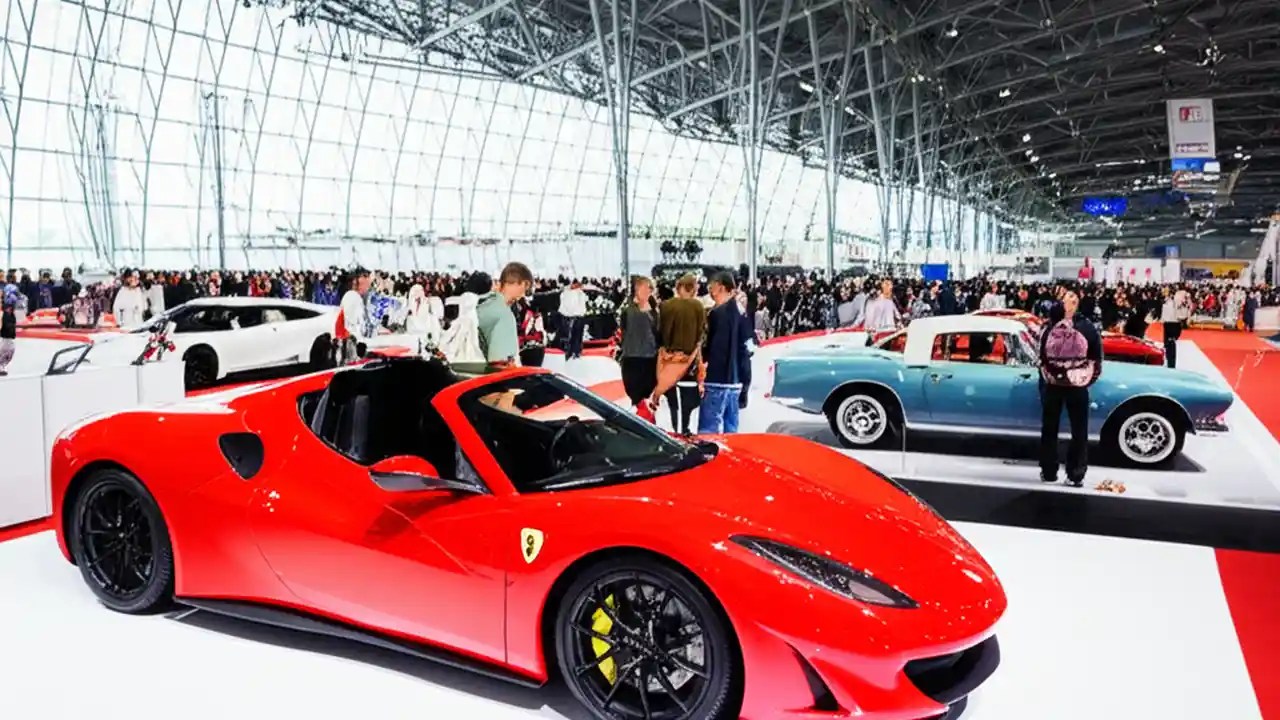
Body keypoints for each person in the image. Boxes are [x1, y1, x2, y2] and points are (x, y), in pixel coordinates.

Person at [1039, 290, 1103, 487]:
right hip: (1072, 384)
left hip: (1059, 384)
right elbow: (1096, 356)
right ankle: (1070, 473)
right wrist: (1086, 378)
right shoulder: (1085, 327)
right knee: (1073, 430)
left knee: (1056, 429)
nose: (1070, 304)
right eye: (1069, 300)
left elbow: (1042, 356)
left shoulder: (1052, 326)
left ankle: (1056, 472)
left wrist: (1054, 375)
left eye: (1071, 300)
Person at [650, 273, 706, 432]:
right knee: (687, 407)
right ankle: (684, 431)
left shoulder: (665, 306)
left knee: (673, 403)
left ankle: (676, 431)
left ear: (678, 287)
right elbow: (701, 335)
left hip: (668, 363)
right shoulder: (698, 307)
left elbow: (659, 333)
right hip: (689, 364)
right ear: (693, 288)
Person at [698, 272, 751, 434]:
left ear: (720, 287)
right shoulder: (741, 313)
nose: (710, 291)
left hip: (716, 379)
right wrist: (745, 382)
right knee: (731, 431)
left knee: (708, 431)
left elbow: (714, 348)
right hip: (735, 382)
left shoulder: (717, 314)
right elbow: (746, 349)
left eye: (711, 287)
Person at [476, 262, 533, 367]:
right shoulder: (505, 316)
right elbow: (501, 363)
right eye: (524, 287)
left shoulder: (483, 303)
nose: (523, 295)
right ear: (515, 283)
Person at [618, 276, 660, 417]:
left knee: (646, 395)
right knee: (634, 393)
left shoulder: (655, 312)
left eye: (648, 289)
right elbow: (624, 330)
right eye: (642, 288)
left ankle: (646, 417)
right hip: (632, 357)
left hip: (649, 358)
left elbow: (658, 333)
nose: (646, 291)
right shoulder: (627, 311)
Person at [336, 268, 375, 364]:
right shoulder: (354, 297)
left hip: (346, 335)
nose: (368, 288)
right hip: (350, 336)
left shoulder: (349, 295)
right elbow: (356, 321)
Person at [559, 280, 588, 359]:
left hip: (577, 317)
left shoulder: (579, 293)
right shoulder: (568, 293)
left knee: (576, 336)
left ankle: (575, 351)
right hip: (571, 317)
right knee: (571, 336)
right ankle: (571, 352)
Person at [1158, 286, 1183, 368]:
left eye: (1166, 291)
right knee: (1167, 344)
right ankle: (1168, 361)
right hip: (1168, 323)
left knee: (1171, 343)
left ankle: (1171, 364)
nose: (1164, 293)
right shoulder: (1166, 301)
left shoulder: (1176, 301)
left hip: (1173, 323)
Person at [0, 300, 15, 375]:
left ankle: (3, 366)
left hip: (10, 337)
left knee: (10, 350)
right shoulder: (3, 315)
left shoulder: (11, 315)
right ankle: (1, 367)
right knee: (3, 351)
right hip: (4, 337)